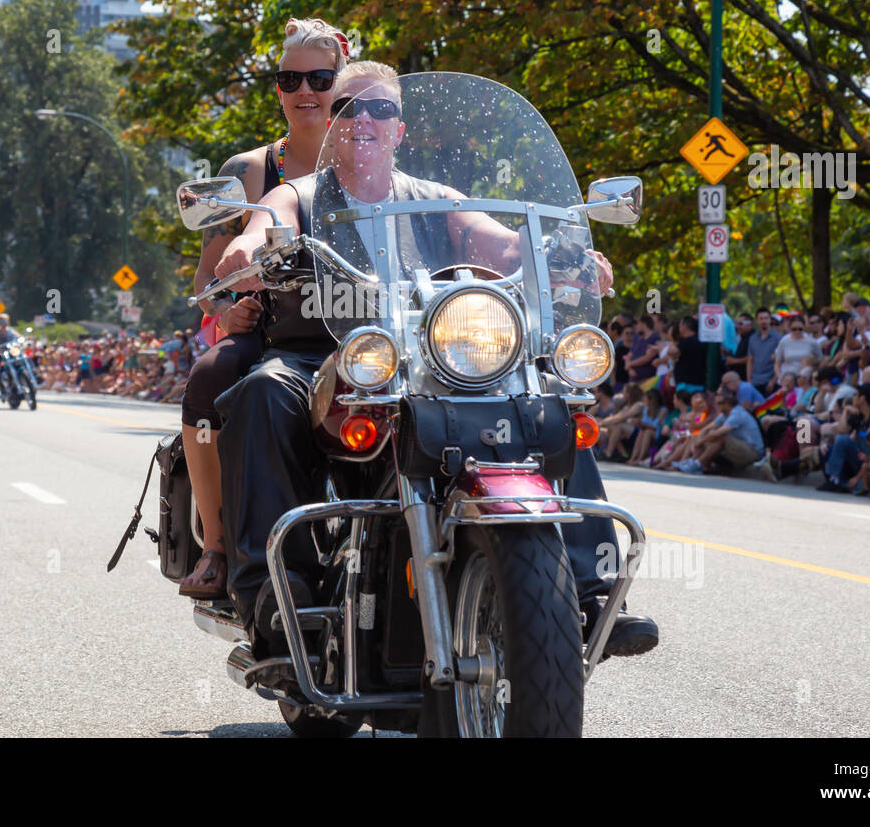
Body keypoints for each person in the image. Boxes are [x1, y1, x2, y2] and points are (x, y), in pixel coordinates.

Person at [212, 60, 655, 657]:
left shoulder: (435, 200)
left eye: (380, 109)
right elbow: (265, 224)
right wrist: (249, 248)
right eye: (347, 107)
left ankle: (593, 591)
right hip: (320, 355)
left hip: (426, 358)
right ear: (332, 124)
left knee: (544, 398)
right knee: (263, 389)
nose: (363, 119)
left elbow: (500, 245)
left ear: (399, 130)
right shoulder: (300, 194)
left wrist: (561, 253)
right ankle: (278, 590)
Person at [178, 31, 351, 596]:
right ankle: (217, 546)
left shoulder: (367, 156)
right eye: (290, 79)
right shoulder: (250, 169)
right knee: (211, 375)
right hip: (275, 332)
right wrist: (226, 310)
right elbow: (208, 278)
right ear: (278, 90)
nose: (305, 91)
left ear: (342, 85)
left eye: (320, 79)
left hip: (368, 331)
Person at [684, 390, 766, 475]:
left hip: (753, 452)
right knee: (703, 435)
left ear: (727, 404)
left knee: (720, 437)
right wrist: (700, 441)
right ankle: (692, 462)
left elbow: (717, 433)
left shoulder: (737, 414)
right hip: (739, 449)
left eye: (719, 403)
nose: (716, 406)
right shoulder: (724, 415)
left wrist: (700, 442)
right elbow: (705, 429)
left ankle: (697, 464)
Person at [773, 314, 821, 386]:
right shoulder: (784, 342)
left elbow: (820, 360)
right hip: (787, 381)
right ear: (790, 328)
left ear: (804, 327)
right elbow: (777, 364)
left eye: (800, 329)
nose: (797, 331)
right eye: (794, 329)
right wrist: (780, 378)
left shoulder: (812, 342)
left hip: (804, 381)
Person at [746, 307, 783, 395]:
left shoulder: (779, 338)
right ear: (757, 321)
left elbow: (781, 361)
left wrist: (774, 380)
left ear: (770, 320)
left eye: (766, 318)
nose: (764, 321)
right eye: (761, 319)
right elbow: (750, 360)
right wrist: (749, 380)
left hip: (771, 383)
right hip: (755, 382)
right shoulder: (752, 339)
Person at [0, 313, 18, 401]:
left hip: (12, 355)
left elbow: (19, 336)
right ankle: (3, 391)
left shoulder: (11, 331)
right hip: (2, 356)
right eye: (1, 321)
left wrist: (25, 338)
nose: (3, 323)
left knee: (23, 360)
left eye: (5, 321)